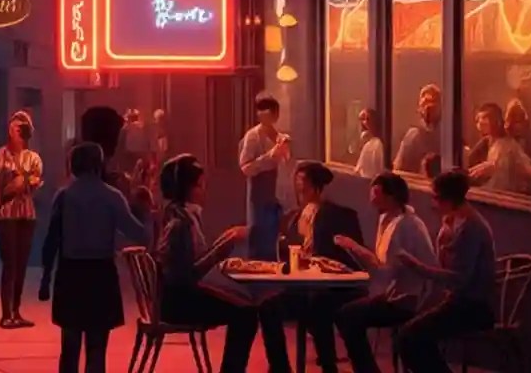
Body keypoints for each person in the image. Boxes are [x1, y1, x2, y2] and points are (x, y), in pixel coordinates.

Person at [156, 154, 291, 373]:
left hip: (182, 295)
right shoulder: (179, 224)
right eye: (200, 185)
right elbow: (187, 276)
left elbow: (196, 258)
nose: (204, 190)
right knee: (246, 312)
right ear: (189, 188)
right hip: (179, 303)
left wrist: (225, 239)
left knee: (259, 303)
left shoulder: (184, 216)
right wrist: (223, 248)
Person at [39, 142, 150, 373]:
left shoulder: (64, 196)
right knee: (97, 348)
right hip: (101, 275)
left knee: (69, 347)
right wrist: (143, 210)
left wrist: (46, 278)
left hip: (70, 274)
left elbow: (52, 239)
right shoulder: (112, 197)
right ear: (99, 165)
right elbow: (137, 233)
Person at [334, 173, 438, 373]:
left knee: (347, 316)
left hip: (409, 298)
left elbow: (386, 272)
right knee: (345, 311)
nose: (371, 197)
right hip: (392, 293)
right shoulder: (387, 219)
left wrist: (355, 248)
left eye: (376, 193)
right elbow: (381, 266)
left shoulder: (407, 225)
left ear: (391, 197)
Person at [395, 170, 497, 373]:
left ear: (449, 199)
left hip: (473, 306)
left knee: (410, 337)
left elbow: (460, 279)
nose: (433, 203)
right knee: (410, 331)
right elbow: (445, 268)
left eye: (436, 198)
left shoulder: (471, 228)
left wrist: (418, 267)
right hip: (455, 301)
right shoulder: (452, 222)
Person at [278, 161, 364, 373]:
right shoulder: (292, 217)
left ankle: (328, 365)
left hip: (333, 286)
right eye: (297, 183)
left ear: (318, 186)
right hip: (301, 285)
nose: (299, 189)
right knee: (268, 307)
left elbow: (353, 259)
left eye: (304, 183)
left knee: (319, 303)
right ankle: (279, 366)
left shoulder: (341, 215)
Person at [0, 110, 44, 329]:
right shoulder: (1, 155)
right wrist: (21, 181)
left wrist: (22, 181)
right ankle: (6, 313)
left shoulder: (33, 157)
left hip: (26, 214)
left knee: (21, 264)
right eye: (11, 126)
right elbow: (0, 184)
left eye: (18, 127)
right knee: (9, 264)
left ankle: (16, 310)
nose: (13, 130)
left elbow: (35, 181)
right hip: (5, 215)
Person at [239, 94, 290, 260]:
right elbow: (245, 167)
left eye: (271, 112)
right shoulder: (253, 136)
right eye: (262, 112)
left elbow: (288, 166)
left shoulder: (280, 137)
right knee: (259, 237)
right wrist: (269, 157)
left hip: (279, 196)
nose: (266, 115)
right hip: (259, 195)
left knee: (279, 239)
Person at [467, 102, 531, 194]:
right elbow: (471, 162)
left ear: (496, 120)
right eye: (479, 119)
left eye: (485, 117)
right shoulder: (485, 142)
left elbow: (526, 168)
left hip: (503, 195)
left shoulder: (509, 145)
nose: (481, 122)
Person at [395, 84, 441, 175]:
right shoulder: (412, 136)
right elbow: (400, 168)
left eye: (433, 102)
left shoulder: (449, 136)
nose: (429, 107)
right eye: (425, 103)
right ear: (419, 108)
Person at [353, 108, 385, 179]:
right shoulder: (357, 142)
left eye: (367, 119)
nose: (364, 123)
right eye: (361, 119)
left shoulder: (376, 144)